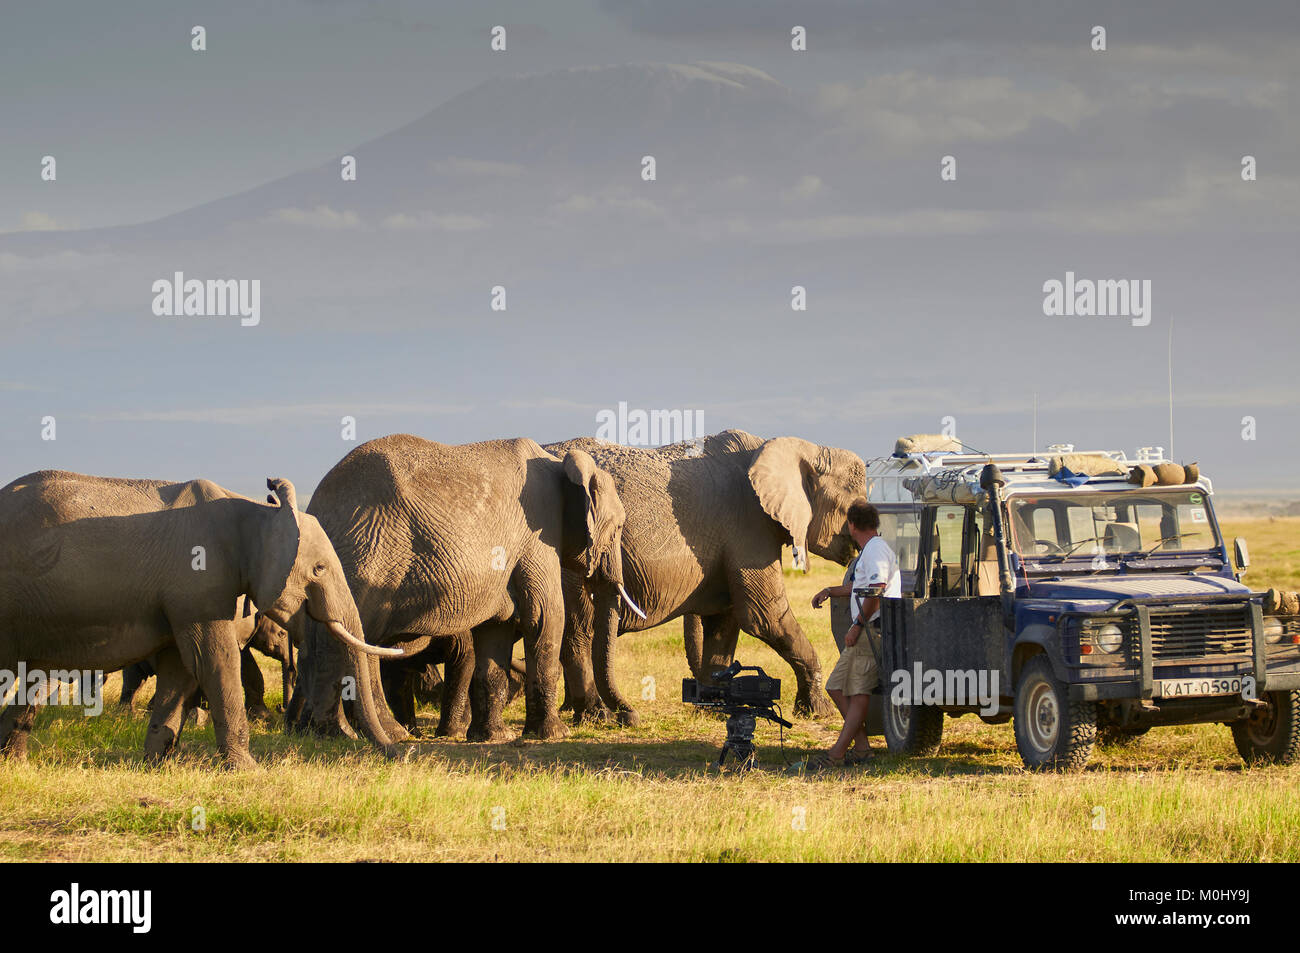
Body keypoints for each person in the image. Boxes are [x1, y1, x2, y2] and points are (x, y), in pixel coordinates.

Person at [808, 500, 900, 767]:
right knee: (838, 687)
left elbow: (877, 587)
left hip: (871, 631)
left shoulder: (875, 551)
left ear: (852, 525)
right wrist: (830, 590)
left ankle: (837, 753)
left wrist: (858, 625)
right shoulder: (871, 550)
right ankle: (861, 748)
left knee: (855, 692)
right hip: (868, 628)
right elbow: (860, 587)